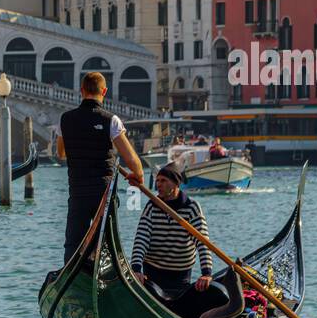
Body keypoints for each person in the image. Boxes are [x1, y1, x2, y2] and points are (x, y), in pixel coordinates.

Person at [57, 71, 145, 263]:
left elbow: (61, 153)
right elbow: (131, 159)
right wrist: (137, 175)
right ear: (104, 91)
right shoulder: (111, 120)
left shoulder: (65, 119)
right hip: (102, 193)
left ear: (81, 91)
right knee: (105, 242)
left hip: (78, 192)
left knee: (73, 243)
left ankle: (71, 274)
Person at [131, 163, 213, 293]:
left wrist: (206, 273)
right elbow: (141, 238)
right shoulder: (152, 206)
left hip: (180, 275)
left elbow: (202, 241)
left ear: (176, 184)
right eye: (157, 180)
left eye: (163, 180)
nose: (158, 184)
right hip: (152, 272)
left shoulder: (191, 207)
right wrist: (136, 269)